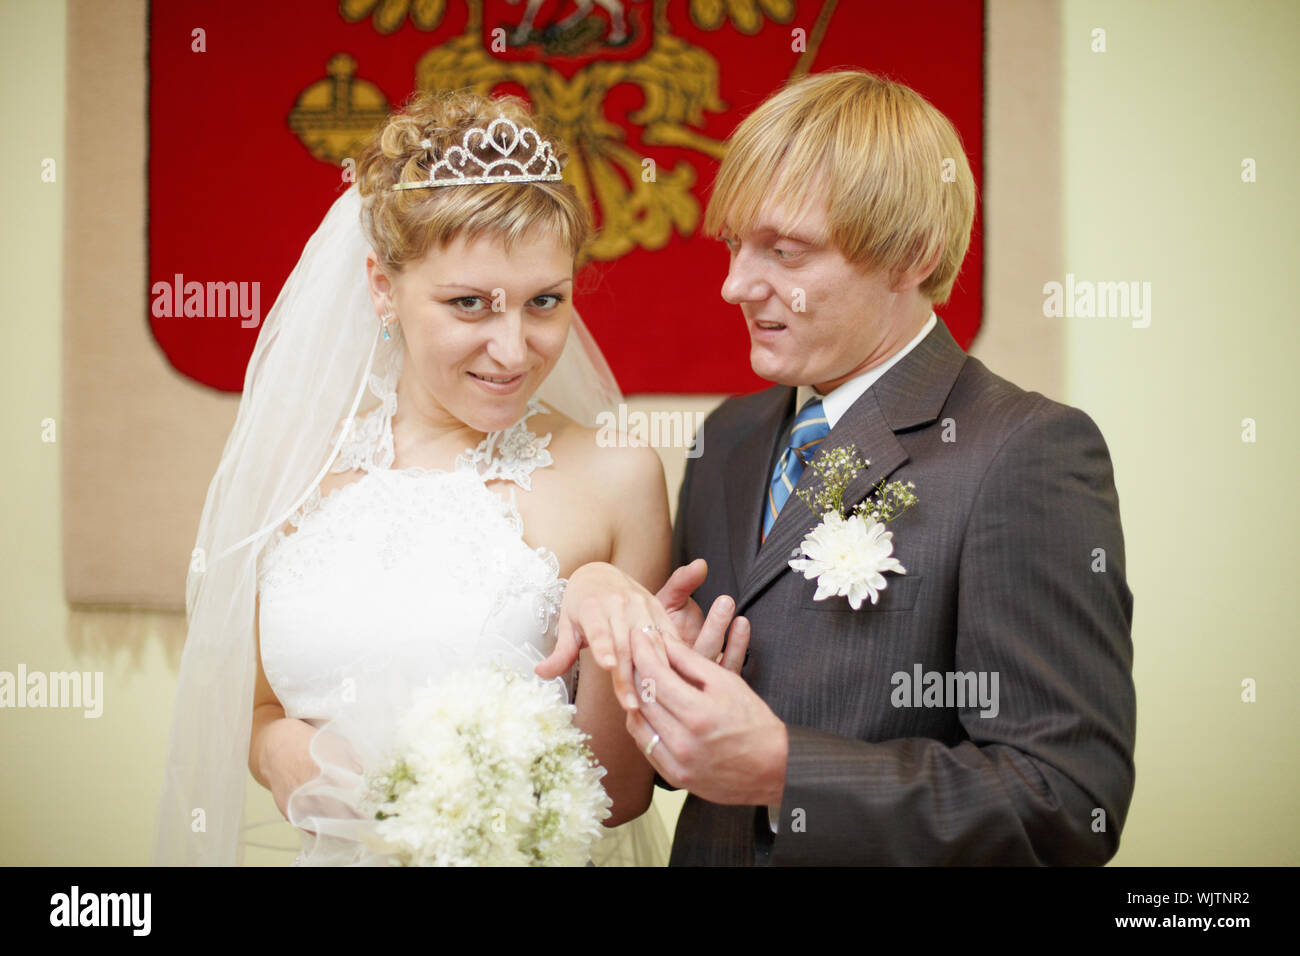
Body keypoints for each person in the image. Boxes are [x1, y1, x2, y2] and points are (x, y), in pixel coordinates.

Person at [539, 69, 1137, 865]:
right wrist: (667, 670)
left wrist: (787, 770)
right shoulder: (731, 438)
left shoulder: (1025, 452)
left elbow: (1067, 801)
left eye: (785, 252)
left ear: (912, 257)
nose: (735, 285)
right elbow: (691, 759)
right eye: (735, 246)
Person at [153, 89, 679, 865]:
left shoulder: (617, 477)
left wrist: (601, 592)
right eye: (469, 305)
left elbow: (621, 793)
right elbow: (259, 706)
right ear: (380, 286)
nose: (514, 349)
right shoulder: (296, 467)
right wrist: (275, 754)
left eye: (545, 302)